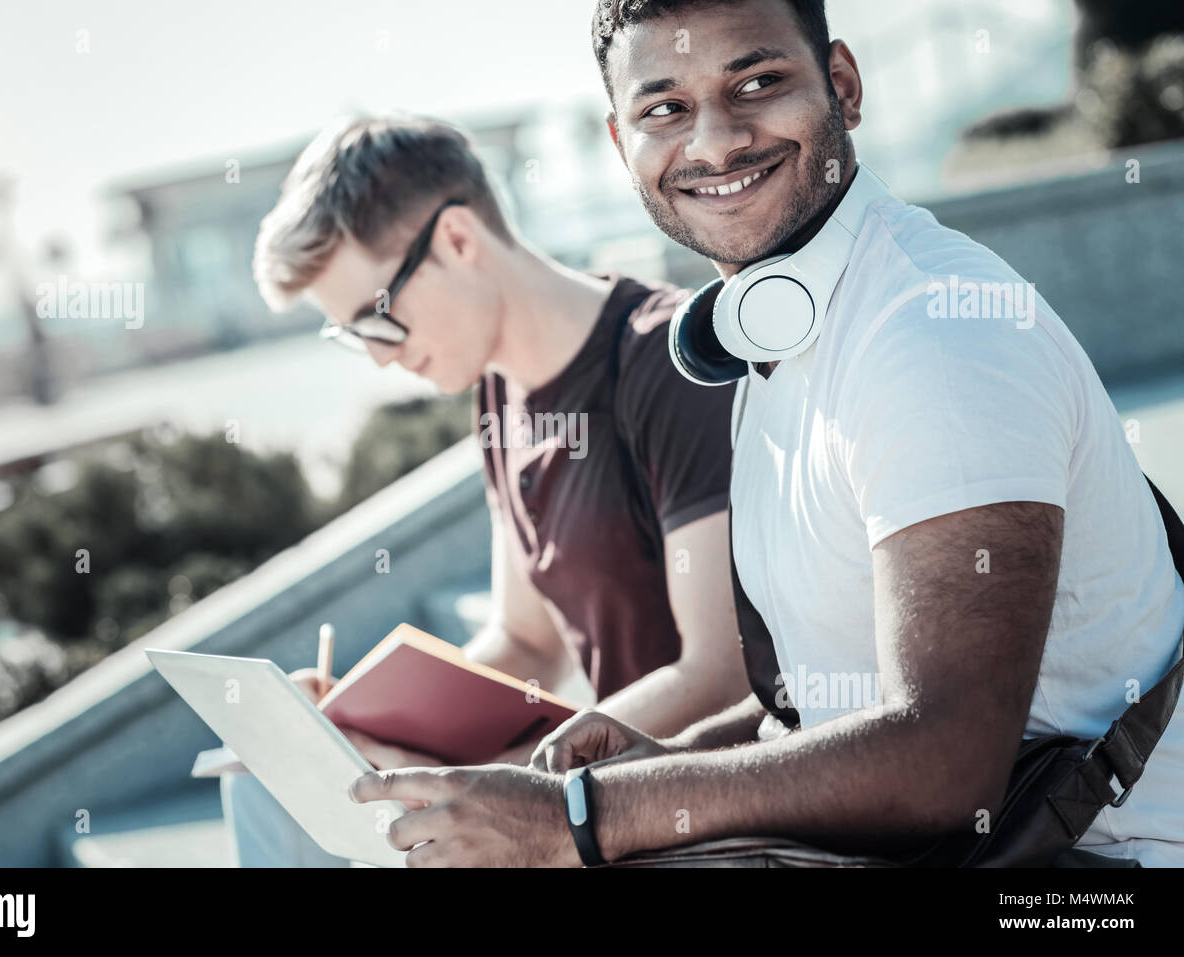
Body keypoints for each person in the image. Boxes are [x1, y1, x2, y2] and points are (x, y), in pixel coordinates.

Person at [349, 0, 1184, 867]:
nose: (712, 143)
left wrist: (584, 815)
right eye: (663, 108)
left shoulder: (936, 333)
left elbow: (944, 762)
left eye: (757, 82)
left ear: (844, 87)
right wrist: (671, 763)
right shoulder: (770, 335)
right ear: (619, 144)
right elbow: (826, 714)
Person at [223, 113, 752, 865]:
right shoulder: (500, 394)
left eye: (377, 323)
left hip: (671, 810)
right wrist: (369, 721)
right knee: (270, 785)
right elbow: (525, 639)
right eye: (353, 338)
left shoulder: (665, 365)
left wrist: (503, 785)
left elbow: (721, 672)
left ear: (459, 242)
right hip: (577, 788)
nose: (378, 360)